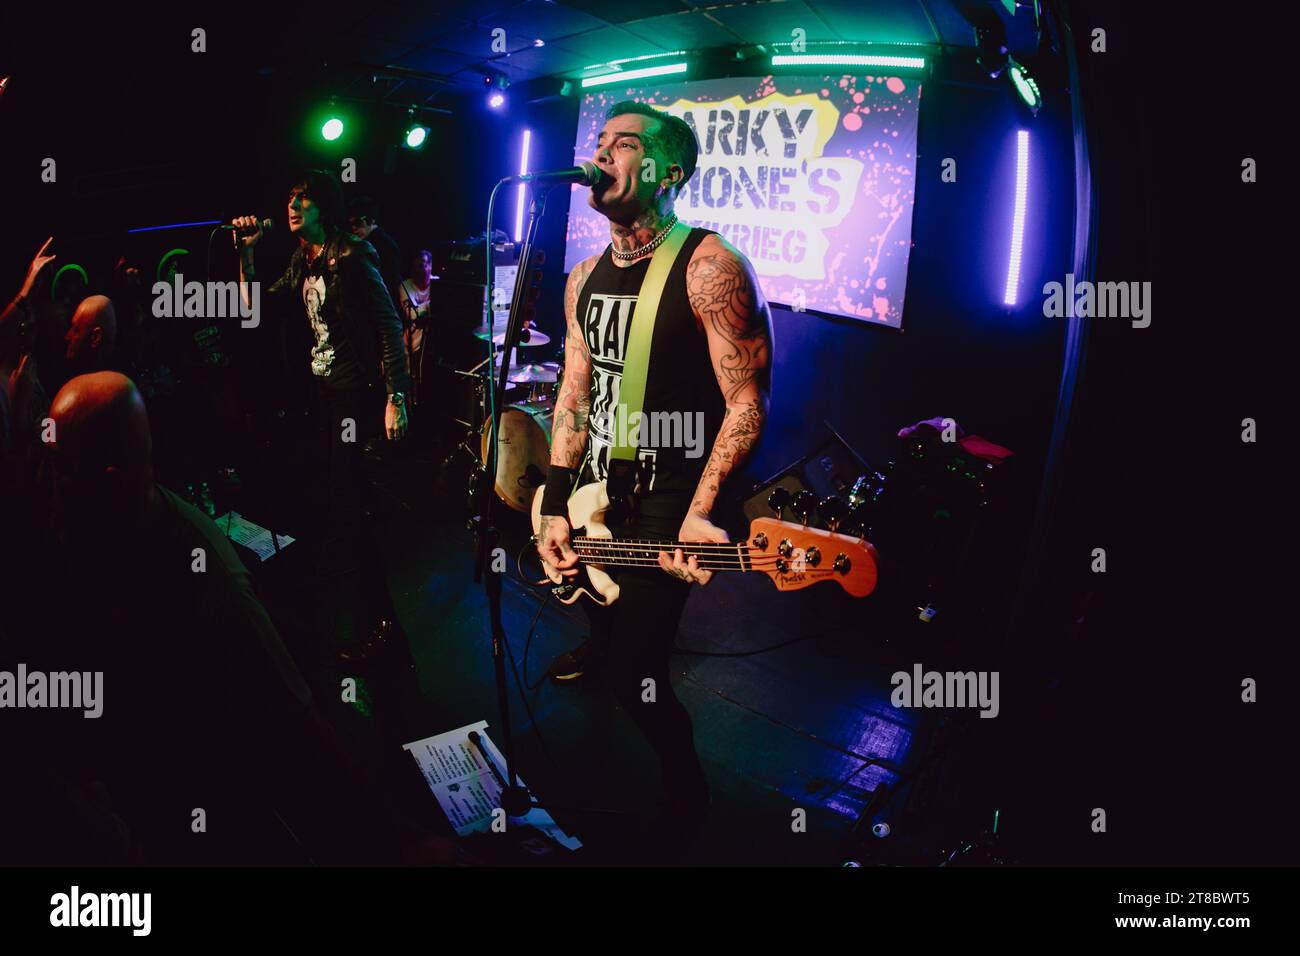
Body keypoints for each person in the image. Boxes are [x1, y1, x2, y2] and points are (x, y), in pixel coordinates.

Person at [534, 101, 773, 837]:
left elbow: (746, 401)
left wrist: (704, 509)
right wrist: (553, 499)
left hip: (672, 493)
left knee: (638, 683)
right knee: (603, 621)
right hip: (598, 487)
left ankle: (686, 788)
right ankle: (601, 638)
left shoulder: (709, 265)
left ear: (669, 171)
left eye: (624, 144)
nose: (602, 154)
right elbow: (573, 394)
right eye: (598, 142)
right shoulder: (581, 279)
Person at [232, 169, 413, 665]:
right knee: (337, 506)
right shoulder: (302, 259)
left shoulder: (352, 256)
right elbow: (253, 314)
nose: (293, 207)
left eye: (304, 200)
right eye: (290, 198)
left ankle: (380, 630)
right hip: (323, 397)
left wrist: (397, 395)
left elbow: (389, 324)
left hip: (353, 397)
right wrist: (246, 254)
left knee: (350, 508)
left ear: (324, 208)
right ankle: (359, 615)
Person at [348, 195, 404, 315]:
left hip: (380, 312)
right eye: (351, 224)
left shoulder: (386, 246)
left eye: (358, 223)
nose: (354, 228)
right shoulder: (359, 244)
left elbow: (389, 285)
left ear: (371, 220)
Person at [397, 248, 434, 400]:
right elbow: (413, 315)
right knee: (413, 384)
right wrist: (432, 305)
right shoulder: (406, 285)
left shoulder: (437, 284)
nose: (421, 269)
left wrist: (424, 307)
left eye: (424, 265)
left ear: (430, 266)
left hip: (431, 345)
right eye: (417, 266)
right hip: (412, 345)